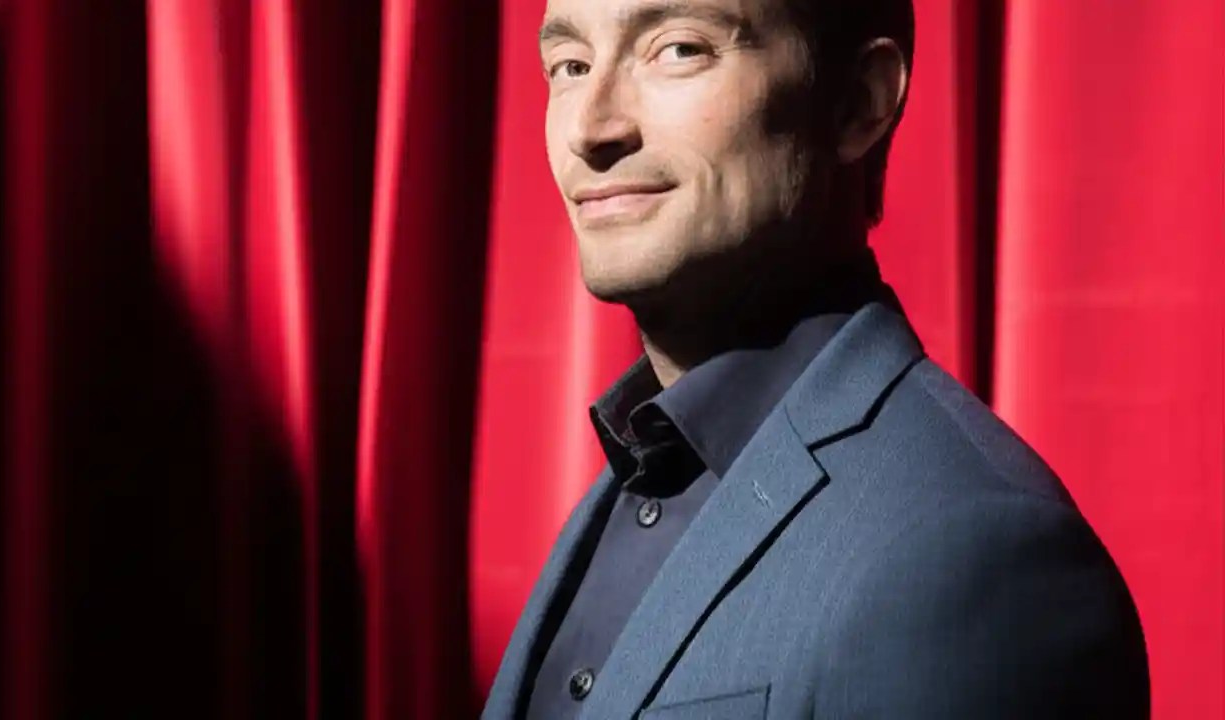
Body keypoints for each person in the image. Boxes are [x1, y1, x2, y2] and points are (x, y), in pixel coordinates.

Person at [482, 0, 1150, 717]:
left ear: (858, 102)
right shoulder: (630, 480)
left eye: (678, 50)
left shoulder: (976, 557)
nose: (591, 127)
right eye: (571, 66)